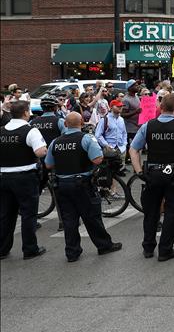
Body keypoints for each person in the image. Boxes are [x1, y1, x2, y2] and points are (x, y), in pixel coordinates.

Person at [44, 112, 122, 262]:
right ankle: (104, 245)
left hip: (62, 185)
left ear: (65, 125)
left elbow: (48, 164)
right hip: (82, 184)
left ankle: (72, 252)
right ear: (81, 124)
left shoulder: (55, 142)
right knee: (92, 216)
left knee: (69, 219)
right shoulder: (86, 139)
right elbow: (98, 159)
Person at [129, 94, 174, 261]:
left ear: (160, 108)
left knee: (151, 212)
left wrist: (139, 172)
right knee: (172, 212)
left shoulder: (148, 126)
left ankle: (148, 247)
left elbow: (133, 150)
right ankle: (165, 250)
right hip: (172, 172)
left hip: (152, 173)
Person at [0, 101, 48, 260]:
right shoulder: (30, 130)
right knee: (28, 214)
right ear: (26, 113)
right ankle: (29, 249)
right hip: (24, 177)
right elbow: (40, 152)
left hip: (4, 177)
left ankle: (2, 248)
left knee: (6, 214)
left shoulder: (1, 131)